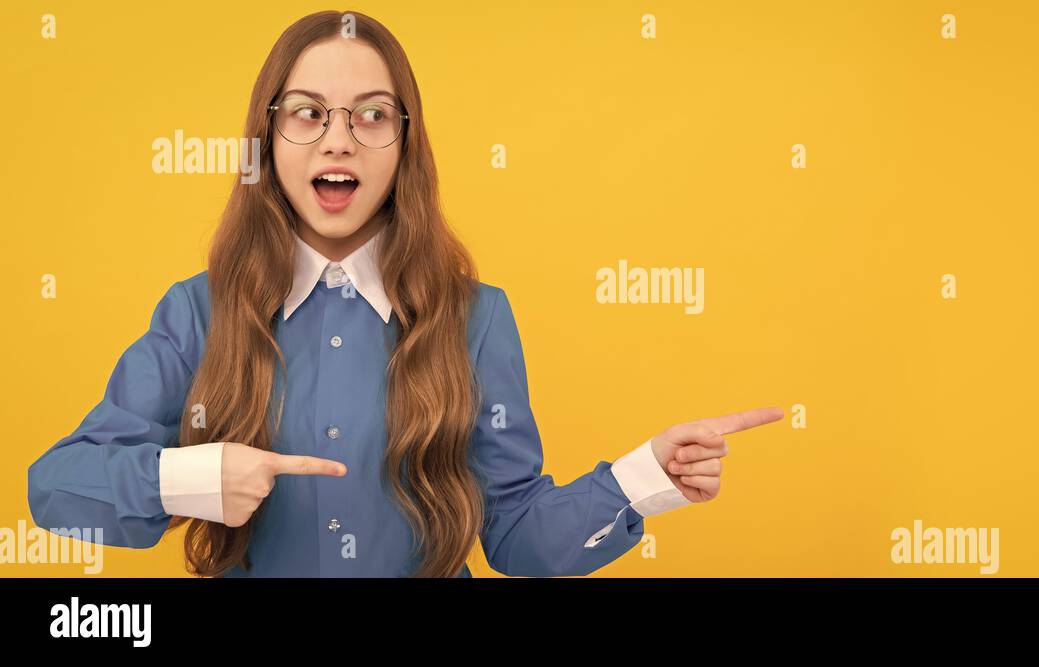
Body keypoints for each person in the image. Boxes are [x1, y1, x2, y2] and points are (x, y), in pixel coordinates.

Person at [27, 10, 782, 578]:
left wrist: (643, 478)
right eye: (307, 112)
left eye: (372, 114)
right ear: (269, 136)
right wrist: (192, 478)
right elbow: (55, 488)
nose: (338, 139)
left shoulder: (477, 320)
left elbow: (515, 533)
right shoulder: (196, 314)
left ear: (404, 143)